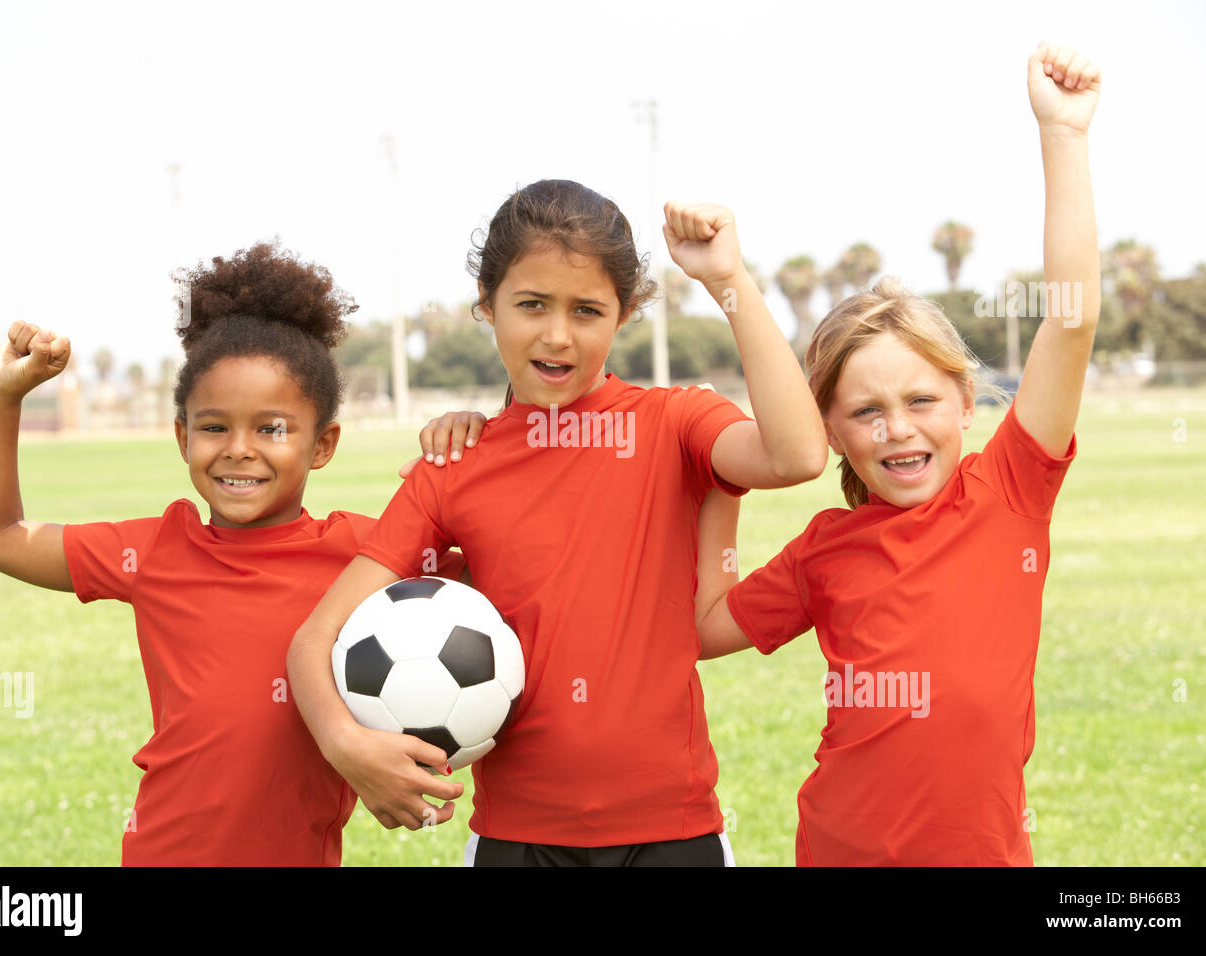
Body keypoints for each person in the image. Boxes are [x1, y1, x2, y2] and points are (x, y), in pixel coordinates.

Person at [286, 179, 828, 865]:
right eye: (531, 304)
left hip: (673, 831)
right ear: (487, 305)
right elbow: (316, 641)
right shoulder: (454, 465)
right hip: (517, 840)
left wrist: (729, 281)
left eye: (588, 310)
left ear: (624, 313)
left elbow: (798, 454)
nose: (557, 335)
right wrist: (346, 746)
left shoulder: (673, 424)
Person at [695, 43, 1103, 865]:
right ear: (834, 432)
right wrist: (720, 480)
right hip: (840, 848)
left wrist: (1063, 135)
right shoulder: (824, 551)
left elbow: (1069, 320)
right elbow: (703, 629)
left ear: (963, 402)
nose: (899, 430)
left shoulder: (1012, 489)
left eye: (920, 401)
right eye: (866, 412)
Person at [0, 241, 473, 865]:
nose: (239, 448)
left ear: (323, 443)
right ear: (182, 436)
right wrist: (3, 397)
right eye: (214, 426)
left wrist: (468, 452)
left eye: (271, 428)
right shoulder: (151, 551)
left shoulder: (368, 554)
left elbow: (497, 563)